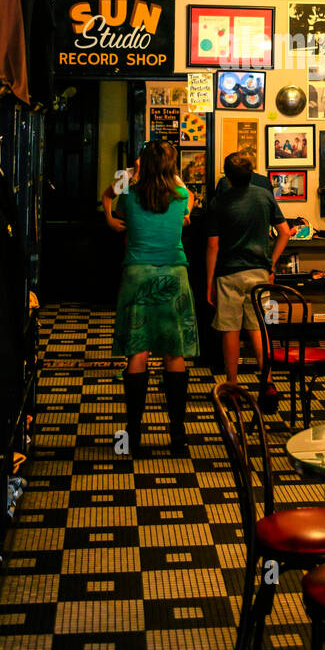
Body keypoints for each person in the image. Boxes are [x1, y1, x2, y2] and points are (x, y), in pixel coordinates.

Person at [102, 141, 198, 457]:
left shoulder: (129, 194)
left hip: (137, 274)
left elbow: (111, 198)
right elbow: (186, 212)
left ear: (143, 164)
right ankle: (178, 434)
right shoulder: (182, 196)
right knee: (174, 352)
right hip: (174, 273)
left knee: (138, 352)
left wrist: (109, 219)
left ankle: (134, 433)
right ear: (172, 166)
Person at [206, 152, 292, 409]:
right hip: (258, 272)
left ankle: (232, 387)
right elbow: (285, 232)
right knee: (257, 329)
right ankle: (267, 383)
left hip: (228, 272)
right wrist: (272, 262)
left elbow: (213, 245)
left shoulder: (218, 202)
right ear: (252, 172)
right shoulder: (264, 196)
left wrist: (209, 281)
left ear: (227, 175)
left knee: (230, 330)